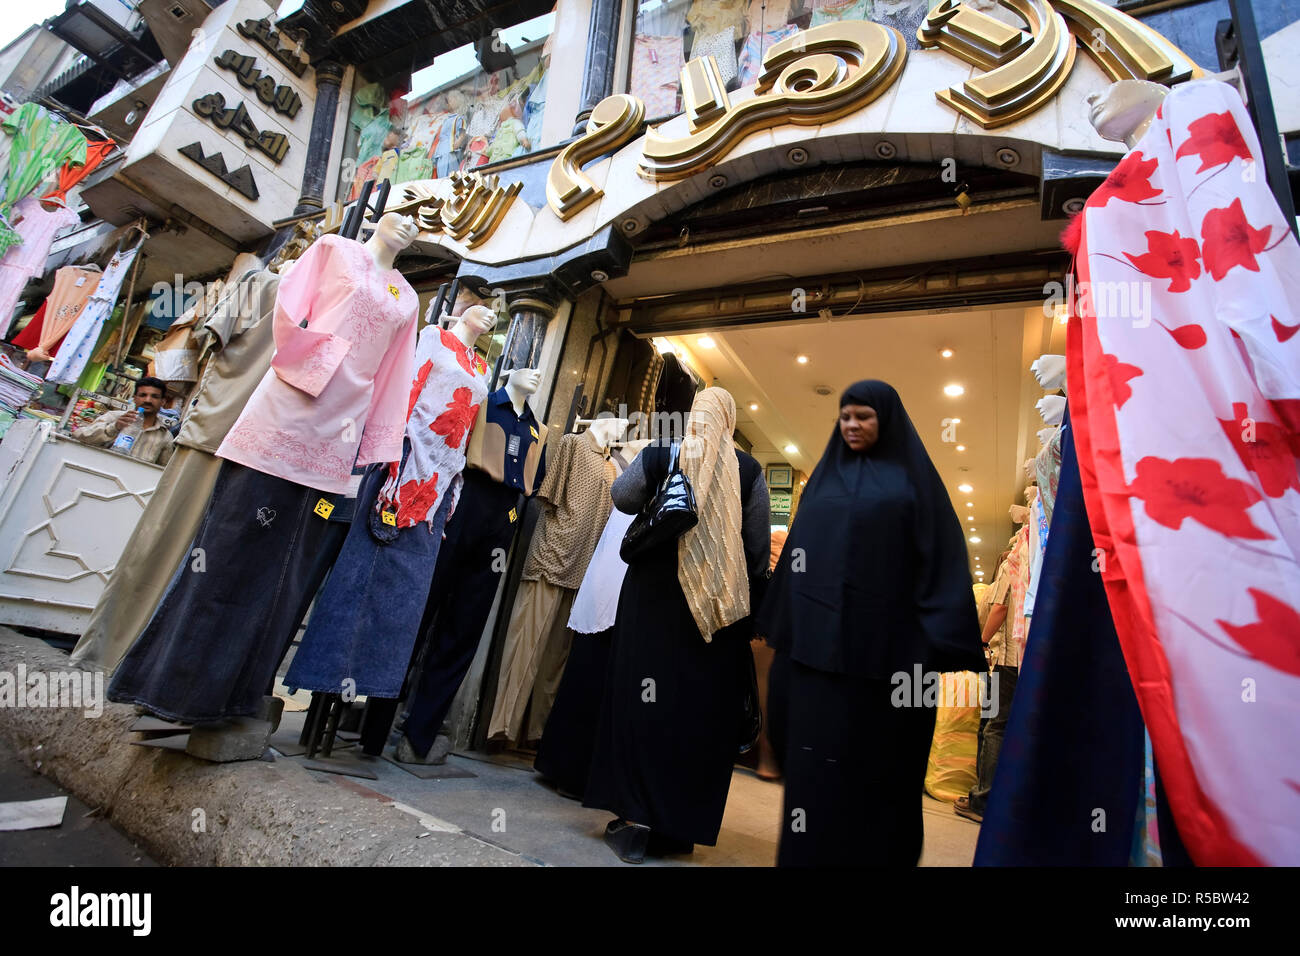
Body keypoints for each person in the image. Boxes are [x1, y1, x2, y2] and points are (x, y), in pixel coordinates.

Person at [758, 379, 984, 867]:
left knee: (880, 795)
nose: (853, 424)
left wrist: (940, 648)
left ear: (887, 420)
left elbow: (941, 566)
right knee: (813, 795)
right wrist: (783, 634)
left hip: (890, 678)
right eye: (846, 416)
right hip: (815, 671)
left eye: (864, 415)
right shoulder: (821, 486)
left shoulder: (915, 487)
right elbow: (798, 565)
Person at [583, 387, 770, 863]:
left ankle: (633, 820)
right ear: (728, 420)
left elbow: (621, 498)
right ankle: (678, 827)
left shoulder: (664, 452)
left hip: (654, 601)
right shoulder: (749, 471)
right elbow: (755, 549)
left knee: (640, 703)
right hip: (714, 616)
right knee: (695, 718)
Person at [955, 542, 1016, 823]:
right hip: (1024, 657)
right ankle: (994, 794)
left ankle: (982, 799)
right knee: (1002, 725)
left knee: (994, 726)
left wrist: (980, 642)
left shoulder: (1011, 564)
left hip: (1006, 658)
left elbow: (1000, 608)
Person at [73, 376, 175, 466]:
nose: (148, 400)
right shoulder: (113, 417)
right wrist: (114, 427)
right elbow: (80, 436)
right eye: (143, 395)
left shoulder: (165, 436)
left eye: (155, 397)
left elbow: (162, 470)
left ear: (163, 402)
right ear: (134, 398)